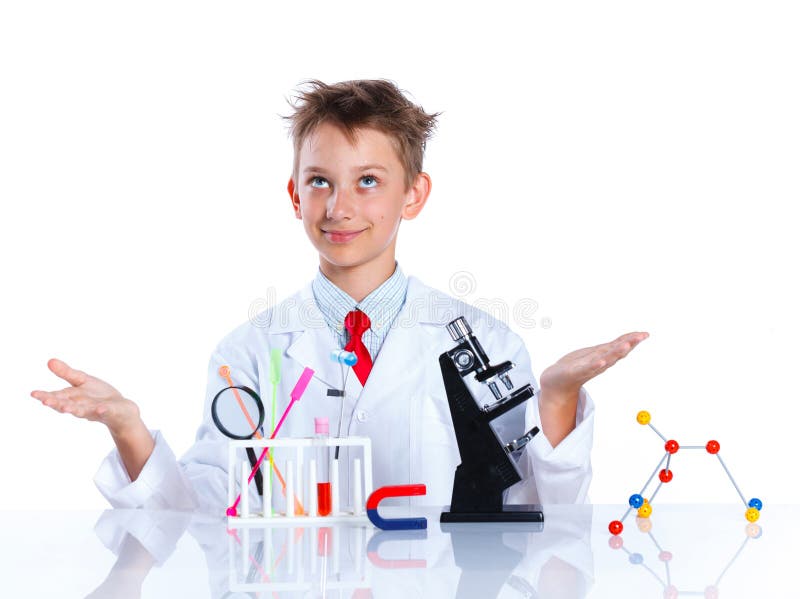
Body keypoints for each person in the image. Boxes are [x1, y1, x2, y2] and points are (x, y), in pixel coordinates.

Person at [31, 79, 648, 513]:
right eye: (319, 181)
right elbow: (199, 519)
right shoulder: (247, 352)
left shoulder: (486, 342)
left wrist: (559, 398)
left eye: (369, 181)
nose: (339, 207)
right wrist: (129, 428)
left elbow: (540, 515)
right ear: (295, 195)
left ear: (415, 194)